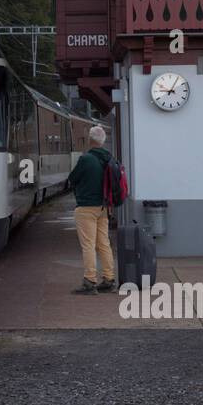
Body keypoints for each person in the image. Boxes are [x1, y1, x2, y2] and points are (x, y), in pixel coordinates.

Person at [68, 126, 117, 294]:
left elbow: (72, 178)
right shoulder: (108, 158)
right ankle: (109, 279)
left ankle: (90, 281)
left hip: (86, 208)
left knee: (88, 244)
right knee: (104, 244)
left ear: (90, 140)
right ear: (102, 141)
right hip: (103, 208)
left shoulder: (86, 159)